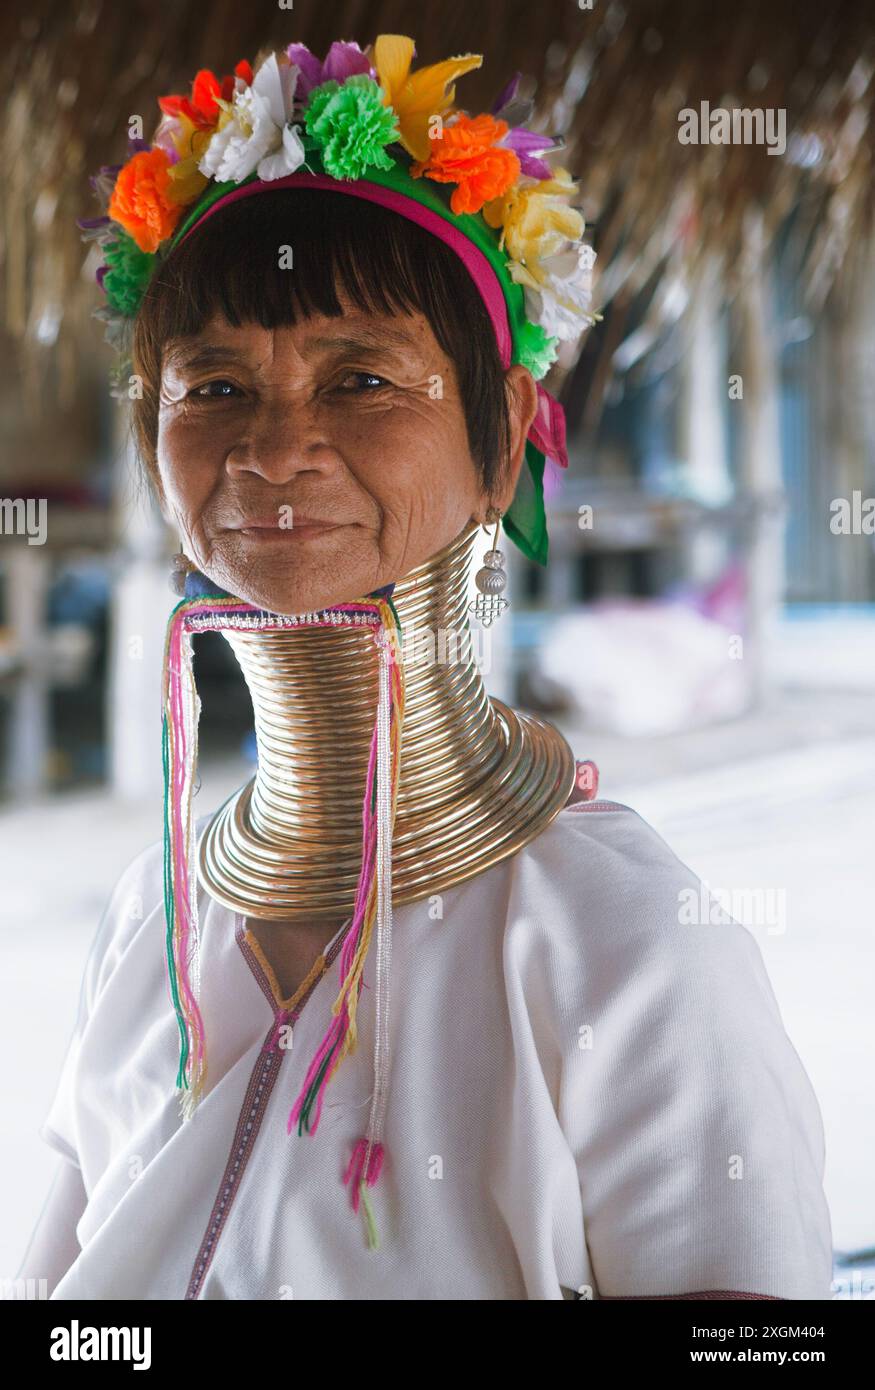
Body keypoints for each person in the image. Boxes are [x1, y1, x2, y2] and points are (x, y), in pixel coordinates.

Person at [20, 33, 832, 1300]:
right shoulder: (153, 924)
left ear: (501, 437)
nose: (275, 450)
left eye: (360, 379)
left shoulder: (618, 946)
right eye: (215, 385)